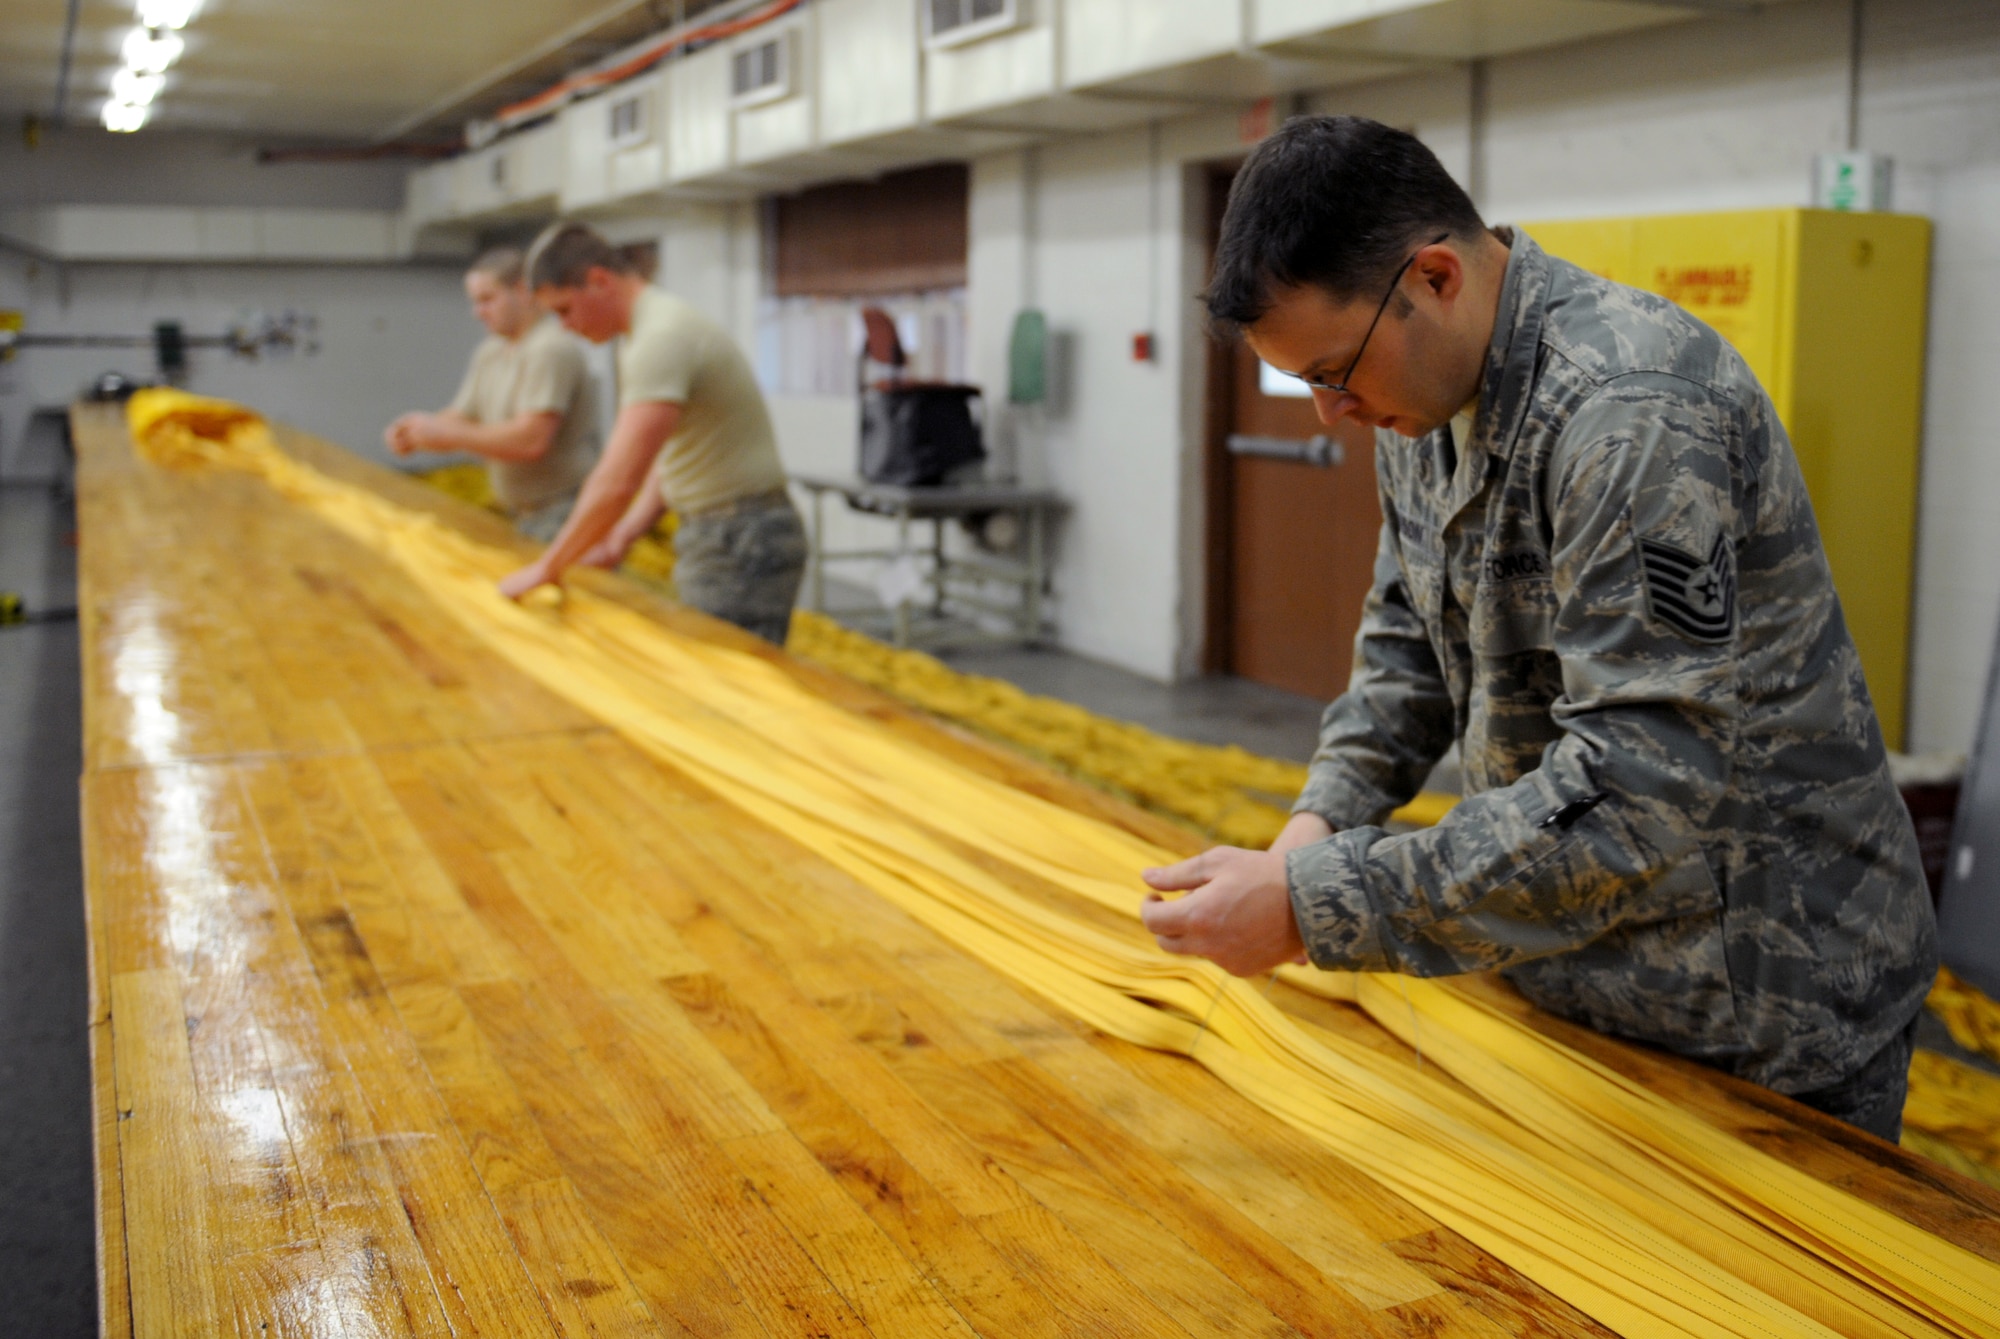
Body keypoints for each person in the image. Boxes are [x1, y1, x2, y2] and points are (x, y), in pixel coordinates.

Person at [1140, 115, 1937, 1142]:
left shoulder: (1629, 410)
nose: (1327, 413)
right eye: (1307, 383)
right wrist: (1314, 829)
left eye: (1334, 371)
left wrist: (1313, 904)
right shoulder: (1417, 404)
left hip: (1759, 1002)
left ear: (1433, 276)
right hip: (1575, 971)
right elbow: (1402, 649)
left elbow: (1638, 789)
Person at [498, 222, 806, 646]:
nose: (564, 326)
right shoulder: (642, 334)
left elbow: (618, 478)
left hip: (737, 537)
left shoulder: (659, 339)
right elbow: (674, 455)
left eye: (565, 309)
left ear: (599, 281)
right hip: (727, 531)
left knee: (725, 687)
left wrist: (549, 567)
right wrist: (622, 536)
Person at [385, 246, 599, 543]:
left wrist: (448, 436)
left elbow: (531, 440)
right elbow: (460, 415)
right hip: (519, 511)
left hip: (564, 512)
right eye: (475, 302)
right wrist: (417, 430)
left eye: (487, 300)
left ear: (523, 291)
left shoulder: (549, 349)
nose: (478, 313)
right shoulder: (490, 353)